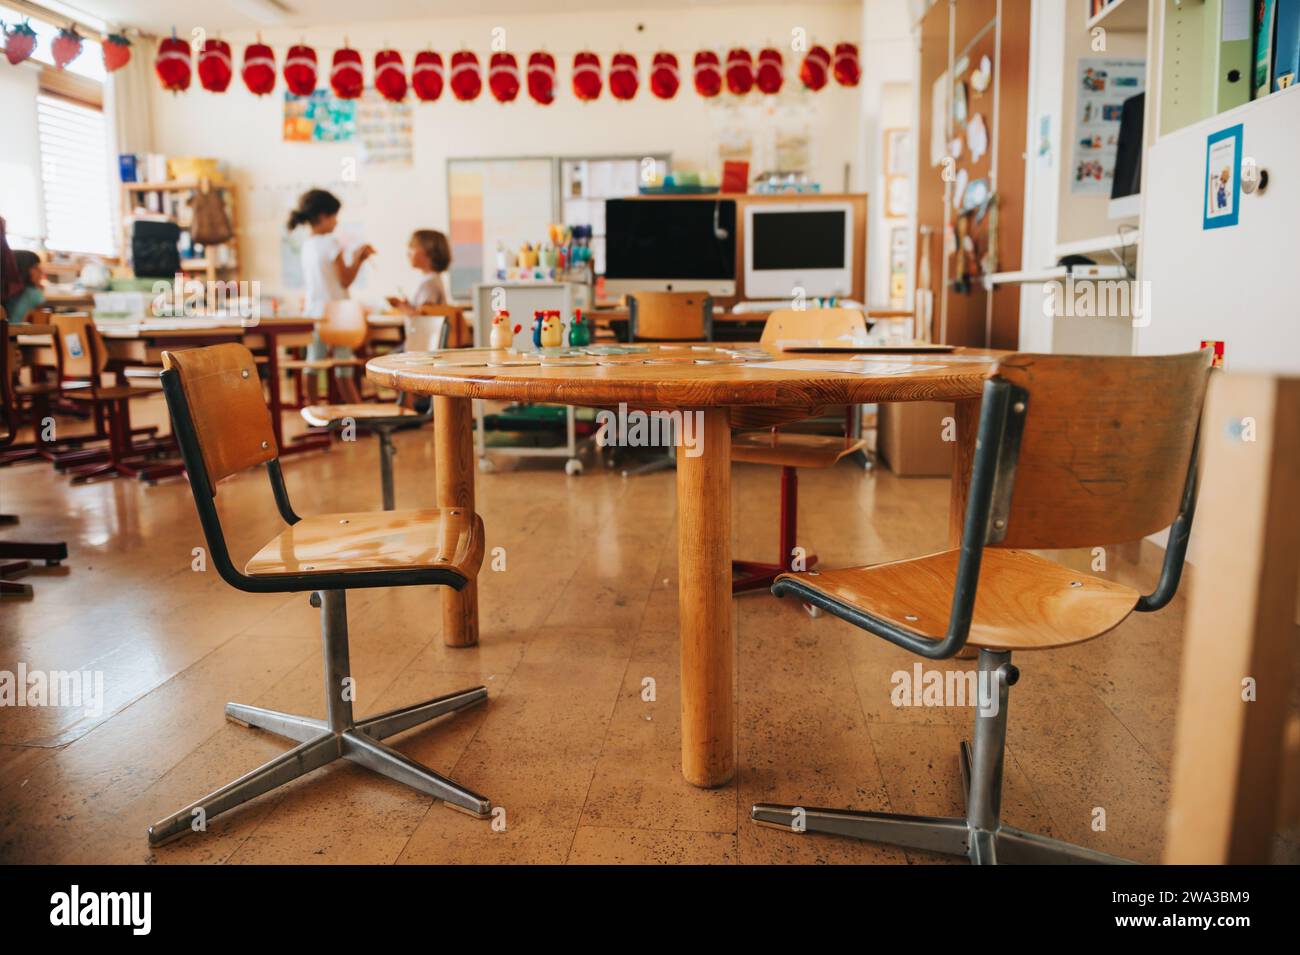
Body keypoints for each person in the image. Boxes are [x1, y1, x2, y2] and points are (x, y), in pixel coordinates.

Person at [286, 189, 374, 398]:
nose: (336, 222)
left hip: (315, 312)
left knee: (314, 363)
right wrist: (360, 260)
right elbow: (345, 280)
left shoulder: (307, 245)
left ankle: (314, 410)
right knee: (344, 367)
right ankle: (355, 412)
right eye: (334, 216)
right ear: (323, 216)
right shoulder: (331, 243)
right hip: (339, 314)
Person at [387, 229, 450, 314]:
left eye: (412, 248)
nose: (408, 253)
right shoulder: (432, 279)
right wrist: (408, 306)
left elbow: (424, 317)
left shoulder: (430, 283)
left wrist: (399, 305)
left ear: (429, 251)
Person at [3, 250, 44, 323]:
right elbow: (39, 322)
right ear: (22, 268)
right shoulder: (33, 294)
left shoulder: (5, 289)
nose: (41, 271)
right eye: (35, 267)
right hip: (20, 333)